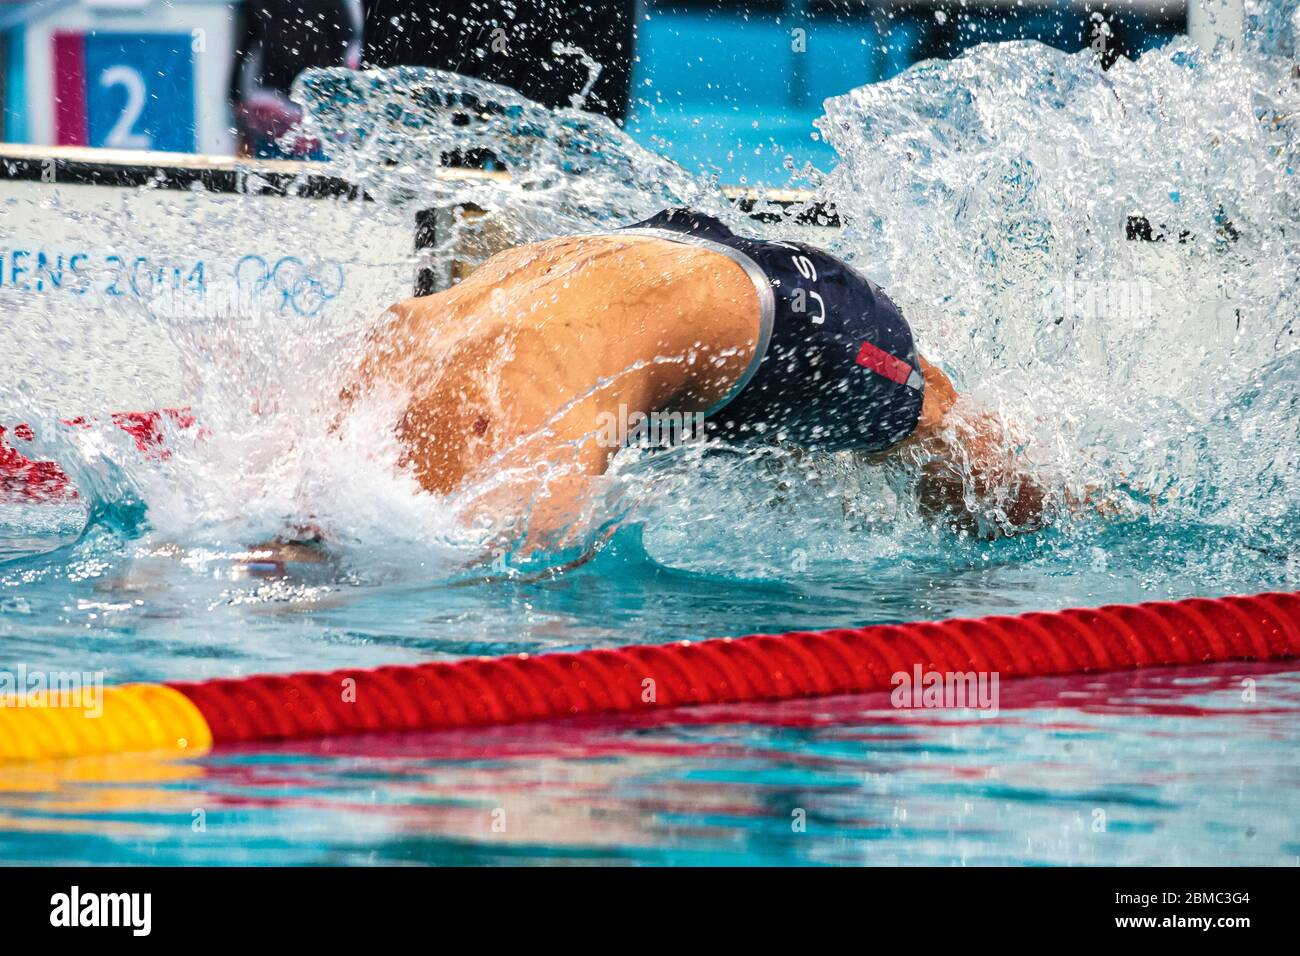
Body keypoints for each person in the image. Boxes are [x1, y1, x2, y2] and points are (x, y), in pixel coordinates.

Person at [338, 208, 1047, 549]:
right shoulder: (390, 358)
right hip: (654, 271)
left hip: (801, 325)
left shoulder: (521, 418)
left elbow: (534, 609)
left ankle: (1080, 510)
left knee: (943, 438)